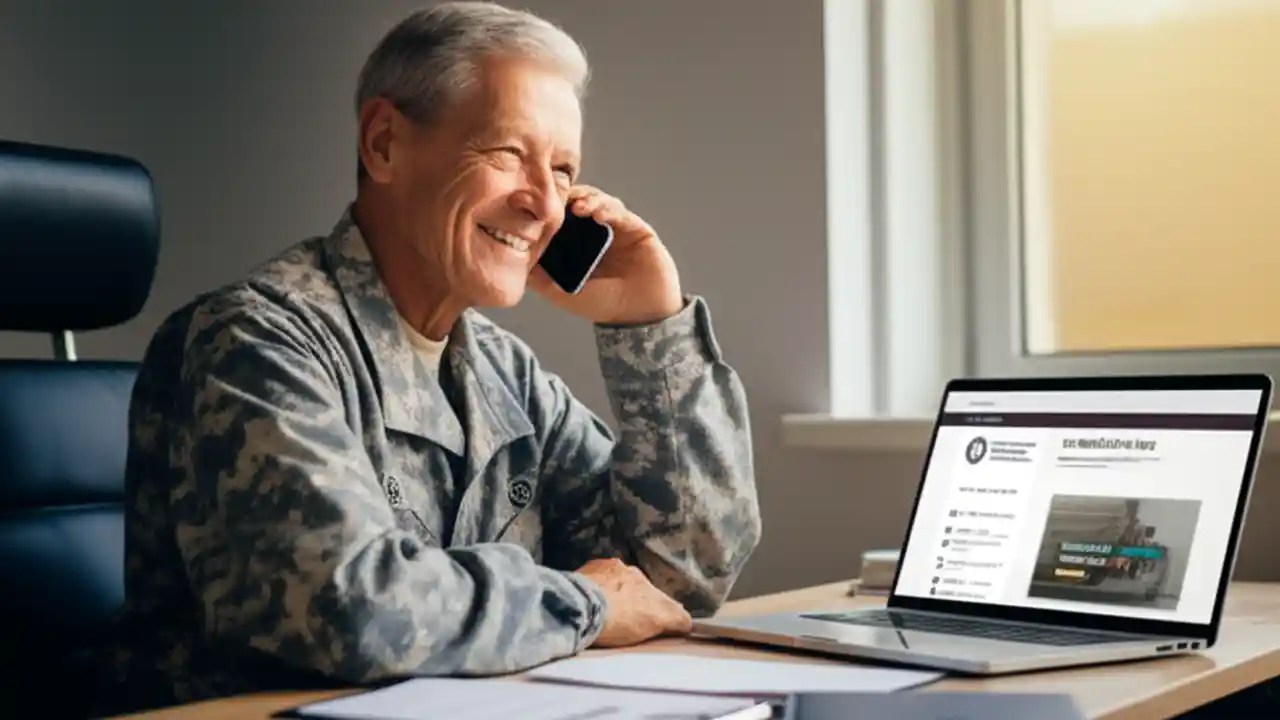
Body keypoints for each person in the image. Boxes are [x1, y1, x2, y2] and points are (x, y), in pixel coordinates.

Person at [98, 1, 760, 710]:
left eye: (563, 169)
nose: (545, 204)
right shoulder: (256, 342)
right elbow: (351, 611)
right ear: (383, 144)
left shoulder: (503, 374)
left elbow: (680, 576)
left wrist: (650, 330)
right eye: (508, 153)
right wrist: (583, 604)